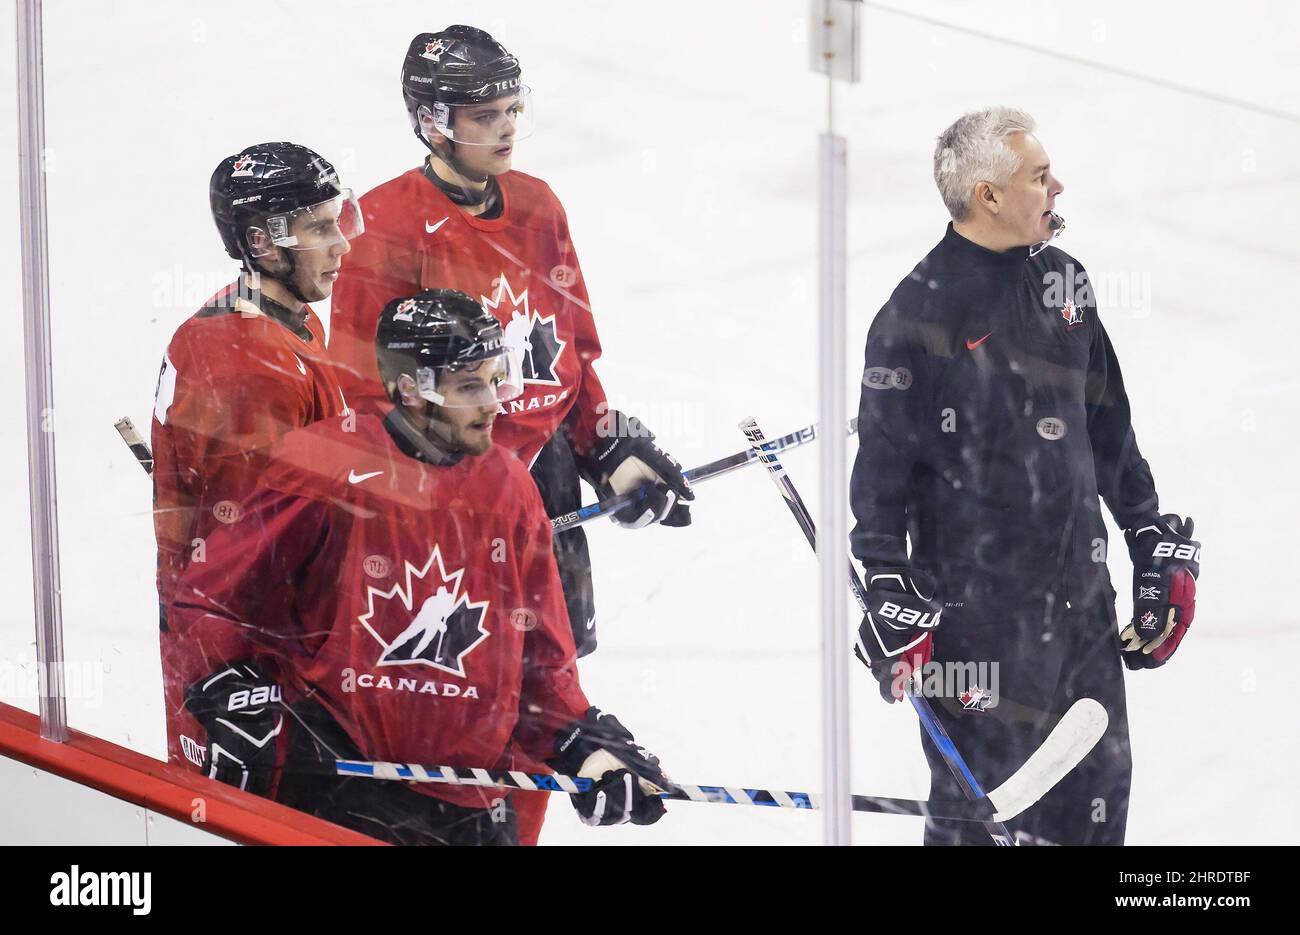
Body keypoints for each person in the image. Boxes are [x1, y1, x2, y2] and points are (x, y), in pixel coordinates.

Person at [327, 25, 693, 844]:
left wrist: (608, 446)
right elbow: (361, 397)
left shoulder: (537, 205)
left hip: (544, 483)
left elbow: (570, 349)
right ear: (430, 121)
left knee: (541, 687)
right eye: (485, 112)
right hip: (449, 501)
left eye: (511, 107)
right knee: (455, 686)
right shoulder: (381, 227)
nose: (506, 125)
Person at [163, 290, 671, 845]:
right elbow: (209, 599)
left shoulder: (510, 489)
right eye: (470, 386)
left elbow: (541, 663)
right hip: (341, 790)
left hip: (474, 804)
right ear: (411, 389)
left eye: (496, 378)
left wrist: (583, 742)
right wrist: (227, 688)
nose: (496, 402)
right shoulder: (326, 466)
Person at [849, 107, 1201, 846]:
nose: (1057, 186)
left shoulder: (1065, 283)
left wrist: (1147, 535)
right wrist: (886, 584)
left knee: (1097, 819)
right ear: (988, 195)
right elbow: (879, 483)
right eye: (1040, 177)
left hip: (1081, 618)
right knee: (983, 832)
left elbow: (1109, 430)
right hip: (979, 641)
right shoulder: (913, 318)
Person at [152, 142, 362, 774]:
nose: (342, 244)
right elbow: (256, 557)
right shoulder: (250, 368)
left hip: (262, 658)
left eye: (338, 219)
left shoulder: (284, 321)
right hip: (248, 679)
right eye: (319, 228)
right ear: (264, 244)